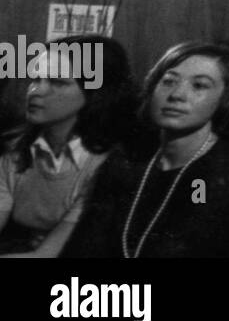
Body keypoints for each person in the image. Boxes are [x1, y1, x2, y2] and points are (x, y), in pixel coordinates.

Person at [63, 41, 229, 258]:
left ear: (224, 99)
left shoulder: (212, 176)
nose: (177, 95)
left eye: (199, 86)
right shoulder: (126, 161)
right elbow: (86, 244)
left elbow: (190, 242)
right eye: (168, 81)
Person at [0, 36, 136, 257]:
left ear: (95, 93)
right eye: (35, 79)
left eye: (57, 82)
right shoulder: (16, 150)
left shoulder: (106, 164)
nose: (36, 91)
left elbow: (46, 255)